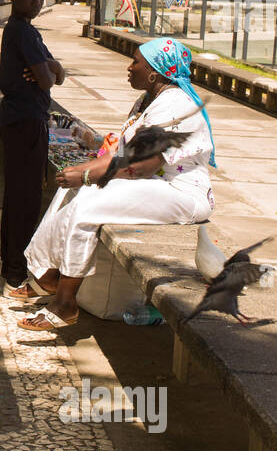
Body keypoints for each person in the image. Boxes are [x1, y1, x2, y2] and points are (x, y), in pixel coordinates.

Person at [18, 38, 217, 331]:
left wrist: (87, 175)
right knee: (70, 189)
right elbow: (121, 153)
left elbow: (141, 165)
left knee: (88, 204)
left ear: (154, 71)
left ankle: (66, 303)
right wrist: (81, 171)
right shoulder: (147, 101)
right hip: (153, 186)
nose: (129, 67)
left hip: (182, 193)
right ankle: (47, 274)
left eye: (136, 61)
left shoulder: (176, 105)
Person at [0, 0, 65, 299]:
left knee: (20, 198)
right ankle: (14, 278)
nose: (36, 1)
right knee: (24, 201)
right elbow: (48, 82)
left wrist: (49, 66)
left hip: (25, 120)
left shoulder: (28, 32)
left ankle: (11, 270)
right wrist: (48, 70)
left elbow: (57, 74)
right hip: (24, 122)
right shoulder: (21, 32)